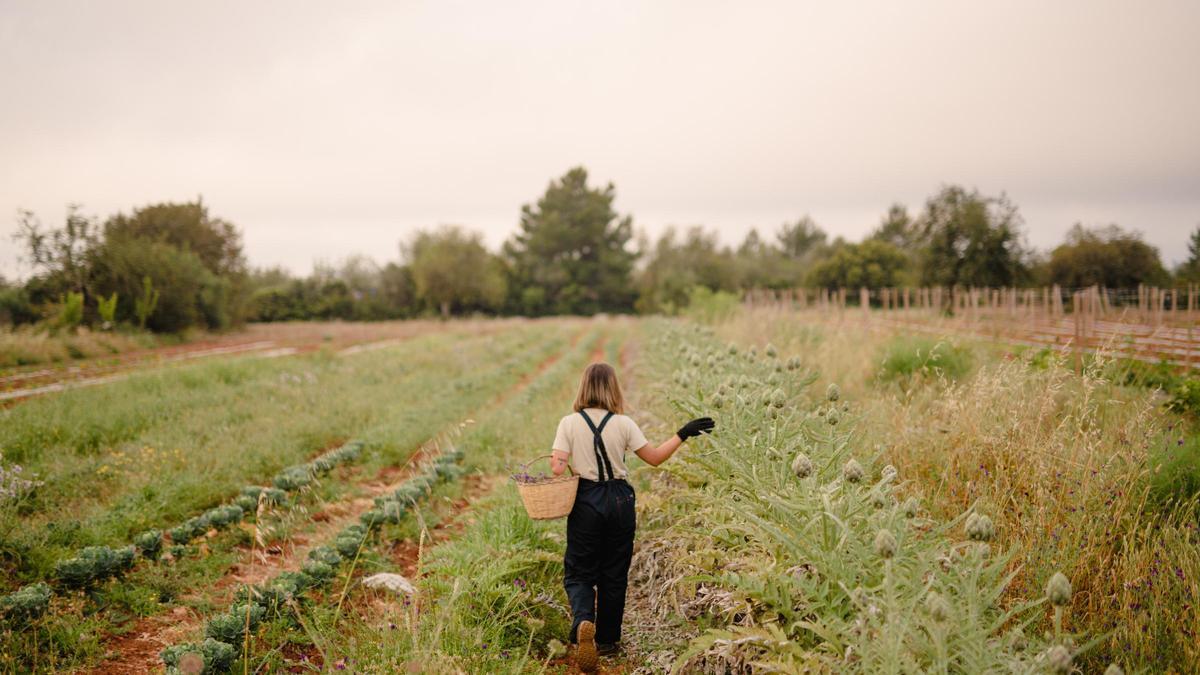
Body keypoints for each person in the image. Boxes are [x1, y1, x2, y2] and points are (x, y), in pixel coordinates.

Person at [550, 362, 714, 672]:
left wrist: (569, 466)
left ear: (583, 387)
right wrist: (684, 433)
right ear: (613, 388)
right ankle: (609, 642)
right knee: (614, 572)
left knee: (580, 570)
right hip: (620, 500)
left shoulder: (568, 423)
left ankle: (584, 619)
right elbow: (654, 458)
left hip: (586, 499)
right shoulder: (623, 423)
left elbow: (557, 467)